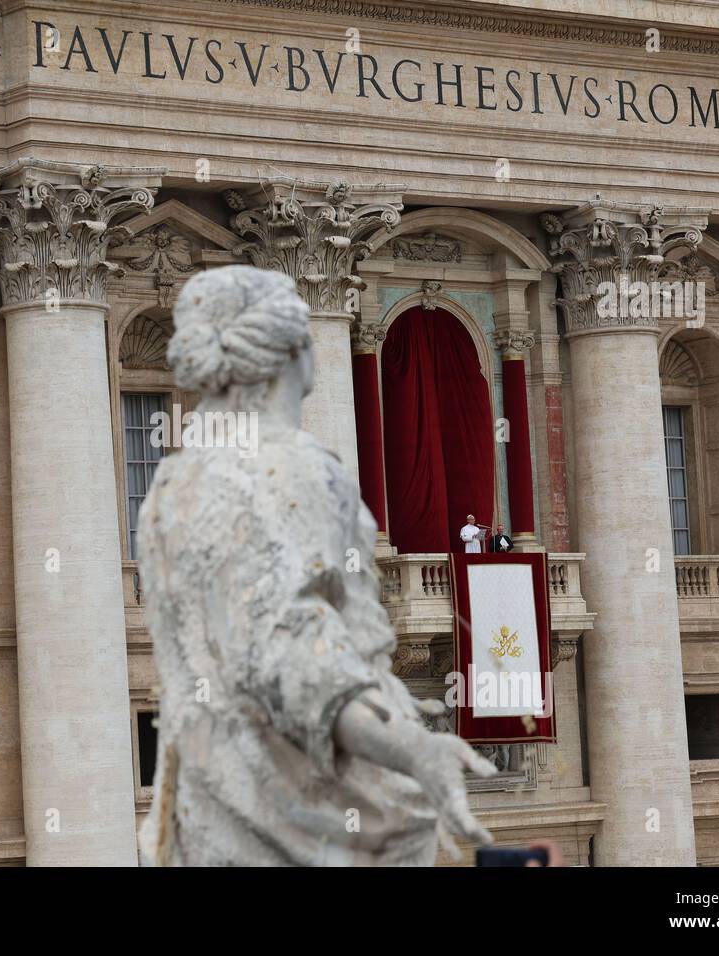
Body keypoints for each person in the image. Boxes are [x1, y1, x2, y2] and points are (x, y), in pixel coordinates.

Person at [136, 266, 494, 866]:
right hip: (308, 804)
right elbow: (291, 653)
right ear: (297, 351)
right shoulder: (294, 467)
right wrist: (407, 747)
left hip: (213, 799)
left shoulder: (170, 483)